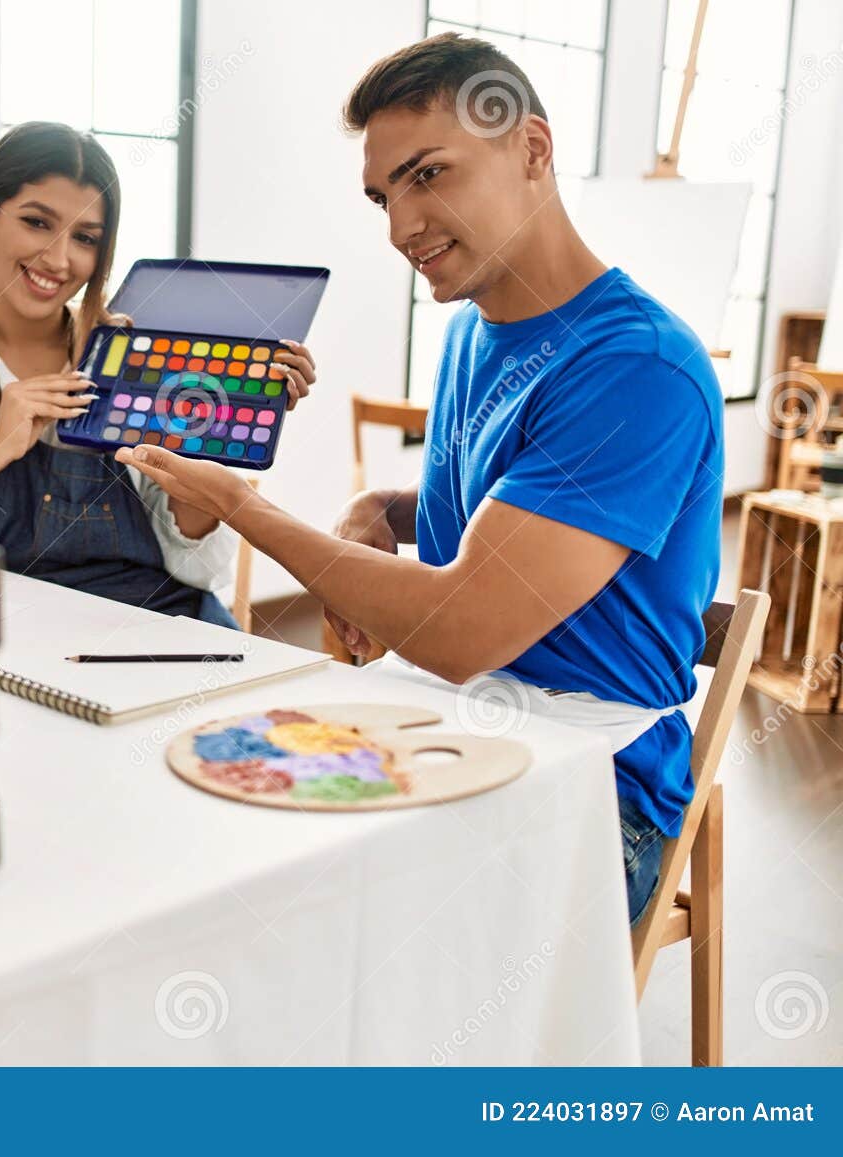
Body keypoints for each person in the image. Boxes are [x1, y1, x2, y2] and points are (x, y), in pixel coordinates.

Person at [116, 34, 723, 926]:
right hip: (448, 733)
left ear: (533, 151)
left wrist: (242, 505)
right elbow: (501, 512)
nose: (400, 227)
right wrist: (380, 507)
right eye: (382, 194)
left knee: (291, 926)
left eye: (428, 175)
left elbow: (464, 625)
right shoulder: (475, 330)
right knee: (201, 856)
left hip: (595, 798)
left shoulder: (639, 367)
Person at [0, 121, 316, 626]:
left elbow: (199, 568)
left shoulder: (131, 356)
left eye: (86, 238)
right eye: (37, 222)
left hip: (152, 627)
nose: (59, 258)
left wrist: (217, 431)